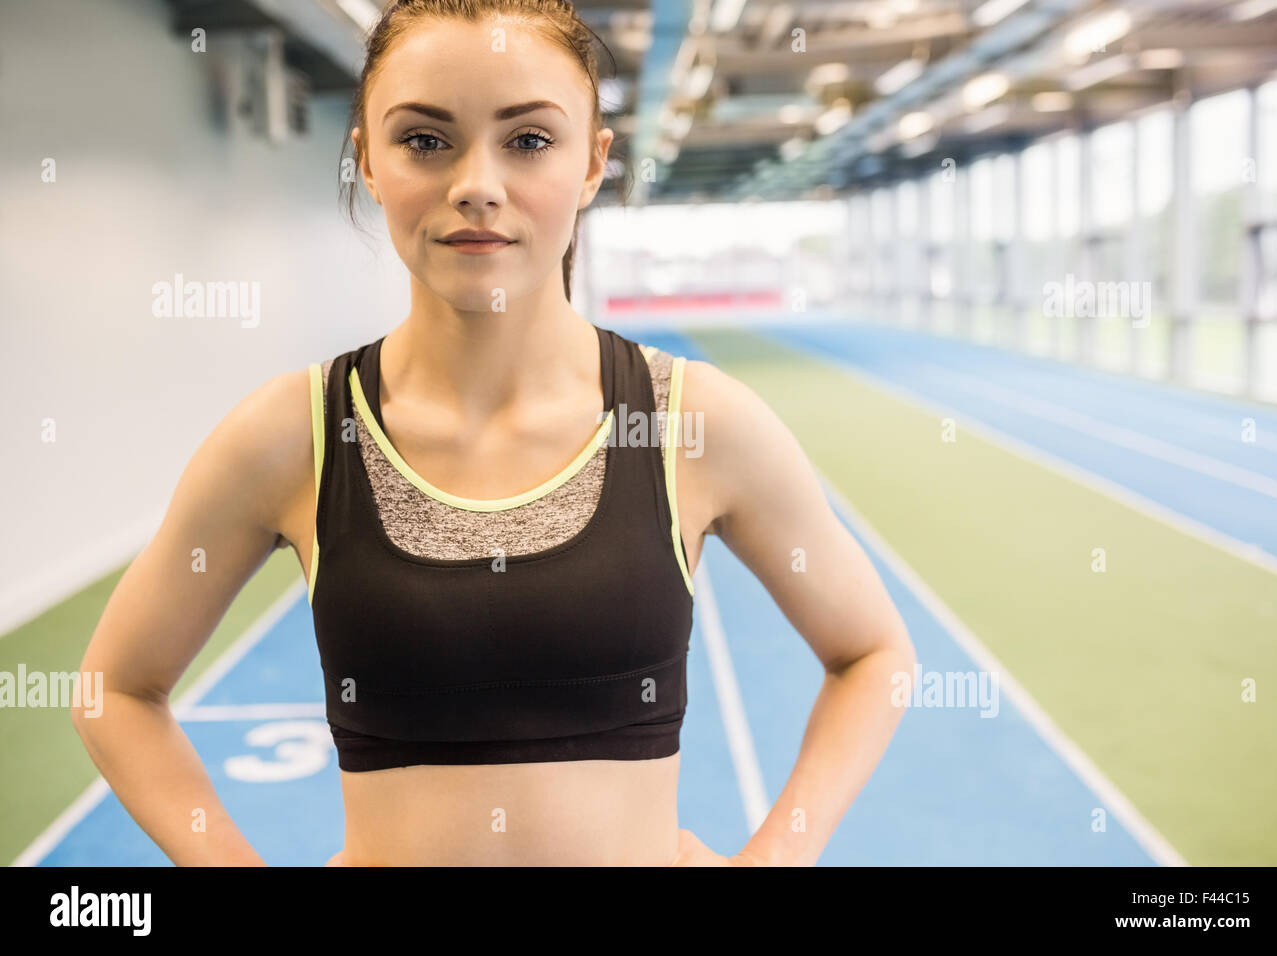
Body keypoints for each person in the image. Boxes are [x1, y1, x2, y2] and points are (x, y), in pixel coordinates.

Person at [72, 0, 916, 867]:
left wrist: (777, 857)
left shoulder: (690, 424)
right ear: (366, 159)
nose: (477, 182)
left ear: (593, 164)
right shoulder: (295, 436)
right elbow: (115, 689)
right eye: (426, 141)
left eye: (528, 141)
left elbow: (873, 653)